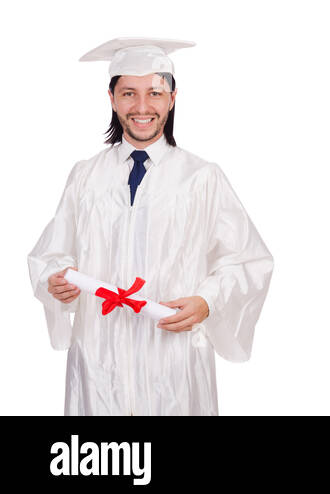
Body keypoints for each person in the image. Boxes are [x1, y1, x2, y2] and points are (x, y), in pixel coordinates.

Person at [28, 38, 274, 415]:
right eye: (129, 93)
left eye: (155, 93)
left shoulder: (201, 178)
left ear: (172, 98)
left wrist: (208, 300)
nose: (142, 107)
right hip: (99, 357)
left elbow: (247, 260)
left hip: (172, 361)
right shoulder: (85, 177)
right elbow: (50, 254)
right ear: (111, 98)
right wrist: (56, 282)